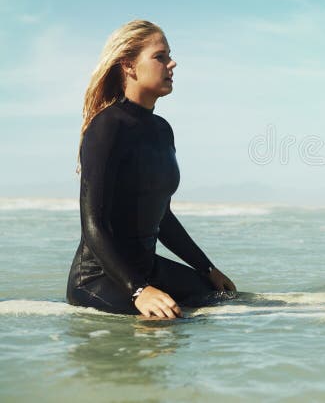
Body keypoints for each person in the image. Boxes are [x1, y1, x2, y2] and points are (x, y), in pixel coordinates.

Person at [66, 20, 236, 318]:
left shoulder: (162, 130)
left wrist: (207, 268)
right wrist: (138, 291)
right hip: (100, 278)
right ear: (129, 66)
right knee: (167, 320)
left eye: (169, 56)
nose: (172, 63)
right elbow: (93, 224)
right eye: (160, 56)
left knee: (225, 300)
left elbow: (163, 218)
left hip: (147, 268)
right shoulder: (108, 127)